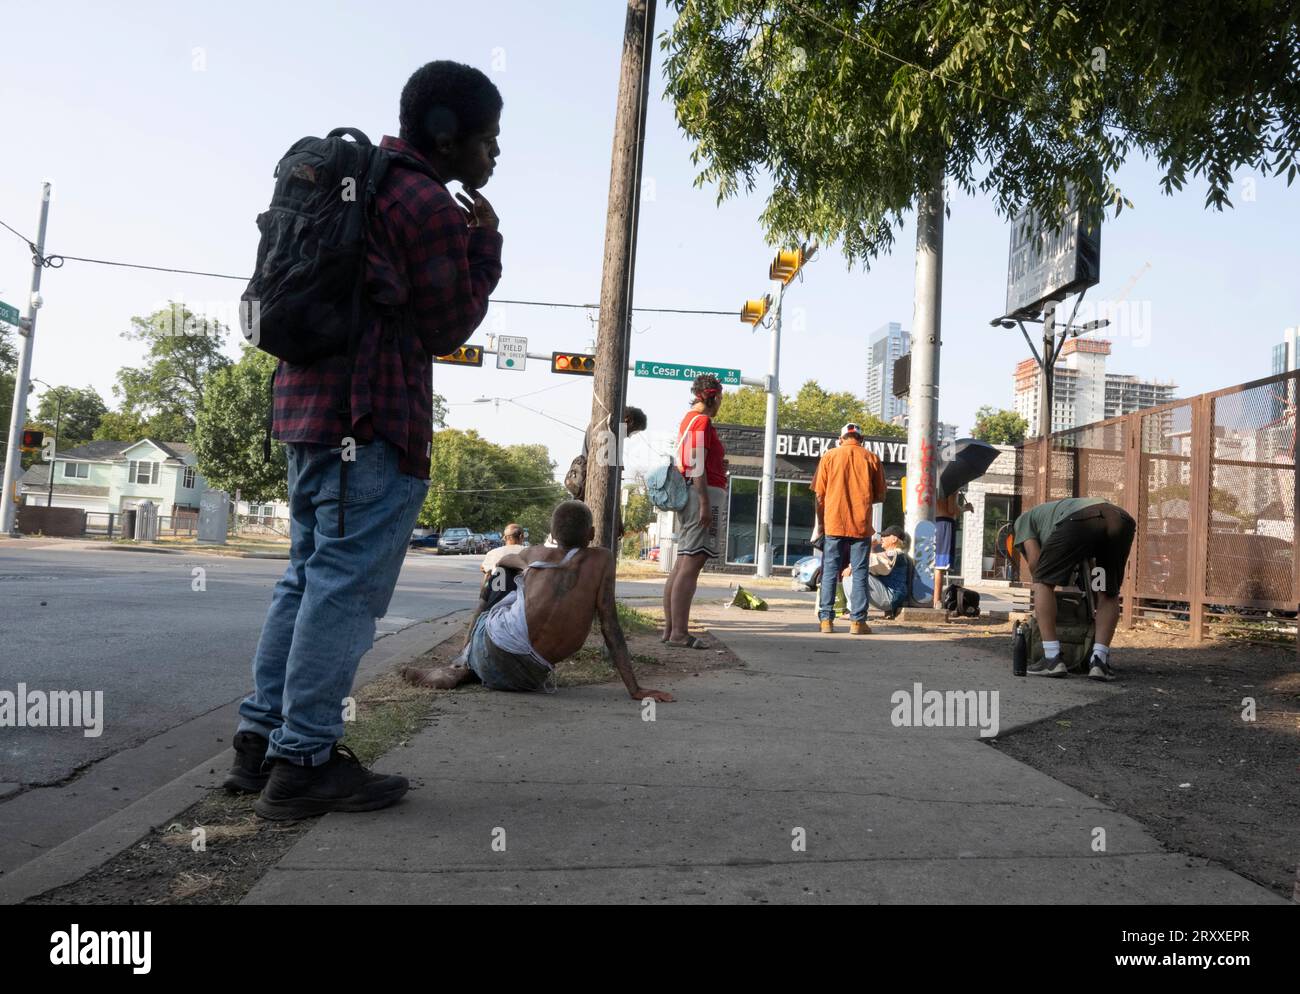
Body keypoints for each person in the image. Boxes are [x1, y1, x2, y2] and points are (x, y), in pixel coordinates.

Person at [224, 61, 504, 820]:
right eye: (489, 138)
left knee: (307, 579)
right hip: (371, 422)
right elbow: (448, 326)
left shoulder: (360, 181)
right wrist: (487, 248)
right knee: (343, 592)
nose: (495, 155)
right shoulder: (422, 201)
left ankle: (261, 741)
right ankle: (305, 758)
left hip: (305, 414)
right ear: (449, 136)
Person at [400, 501, 673, 703]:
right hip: (528, 677)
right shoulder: (602, 559)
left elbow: (502, 561)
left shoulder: (534, 552)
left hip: (491, 654)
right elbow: (610, 626)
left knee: (502, 575)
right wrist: (635, 689)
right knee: (512, 596)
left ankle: (460, 663)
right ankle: (464, 667)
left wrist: (526, 569)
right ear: (590, 534)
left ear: (553, 535)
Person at [1012, 497, 1136, 682]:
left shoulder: (1023, 520)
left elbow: (1036, 564)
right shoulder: (1053, 513)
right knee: (1106, 591)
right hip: (1119, 521)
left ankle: (1052, 659)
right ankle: (1099, 662)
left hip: (1080, 521)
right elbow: (1089, 563)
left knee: (1042, 582)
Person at [661, 374, 727, 649]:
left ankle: (670, 631)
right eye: (721, 397)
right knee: (691, 563)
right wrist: (703, 502)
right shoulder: (702, 422)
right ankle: (679, 634)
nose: (722, 402)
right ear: (713, 397)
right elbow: (696, 464)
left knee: (682, 563)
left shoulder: (688, 420)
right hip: (702, 493)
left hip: (691, 491)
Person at [811, 423, 886, 634]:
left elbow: (819, 496)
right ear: (861, 440)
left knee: (830, 572)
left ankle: (826, 620)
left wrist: (821, 523)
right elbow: (880, 495)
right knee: (860, 572)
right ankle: (857, 622)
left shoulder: (829, 457)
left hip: (833, 522)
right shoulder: (871, 458)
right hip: (861, 525)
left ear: (841, 438)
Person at [933, 489, 974, 606]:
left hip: (935, 521)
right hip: (945, 524)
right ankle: (937, 601)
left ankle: (934, 599)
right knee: (940, 566)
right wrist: (965, 508)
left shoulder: (936, 480)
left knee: (934, 563)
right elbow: (951, 509)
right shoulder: (952, 486)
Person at [867, 525, 914, 618]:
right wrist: (871, 548)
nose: (882, 538)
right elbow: (875, 562)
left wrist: (851, 567)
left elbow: (872, 561)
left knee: (857, 574)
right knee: (858, 572)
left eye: (885, 536)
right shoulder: (896, 554)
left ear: (894, 539)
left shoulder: (896, 553)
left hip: (891, 596)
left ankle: (854, 611)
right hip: (893, 596)